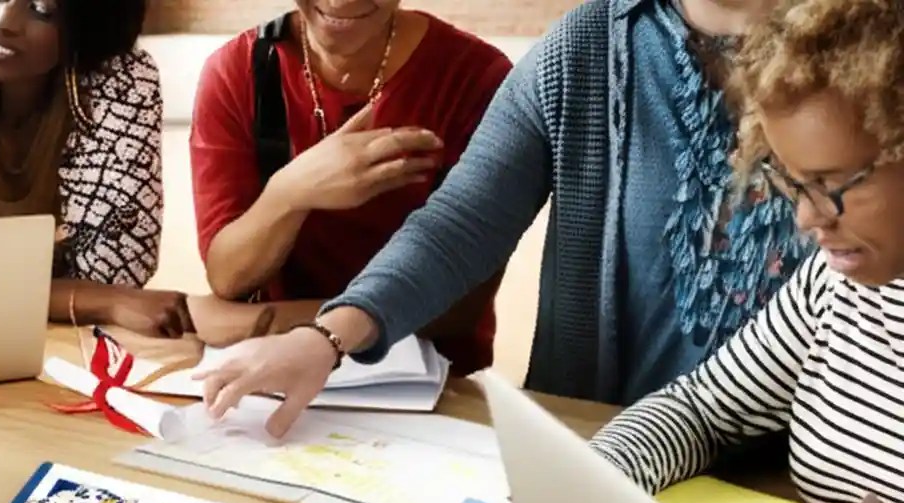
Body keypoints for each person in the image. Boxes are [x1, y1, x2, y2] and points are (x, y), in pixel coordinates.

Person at [196, 0, 809, 438]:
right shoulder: (588, 44)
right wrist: (326, 337)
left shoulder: (866, 51)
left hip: (808, 473)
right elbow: (459, 223)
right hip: (604, 456)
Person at [591, 0, 904, 503]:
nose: (809, 219)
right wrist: (592, 481)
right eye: (794, 184)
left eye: (834, 183)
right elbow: (701, 410)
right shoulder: (837, 287)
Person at [0, 0, 277, 345]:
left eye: (42, 10)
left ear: (89, 26)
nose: (3, 22)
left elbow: (120, 269)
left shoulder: (122, 82)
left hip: (76, 342)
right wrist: (105, 302)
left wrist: (107, 297)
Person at [190, 0, 512, 376]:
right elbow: (230, 277)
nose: (341, 1)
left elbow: (457, 305)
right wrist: (290, 192)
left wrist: (263, 321)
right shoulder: (237, 71)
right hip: (272, 372)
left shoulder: (476, 78)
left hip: (432, 380)